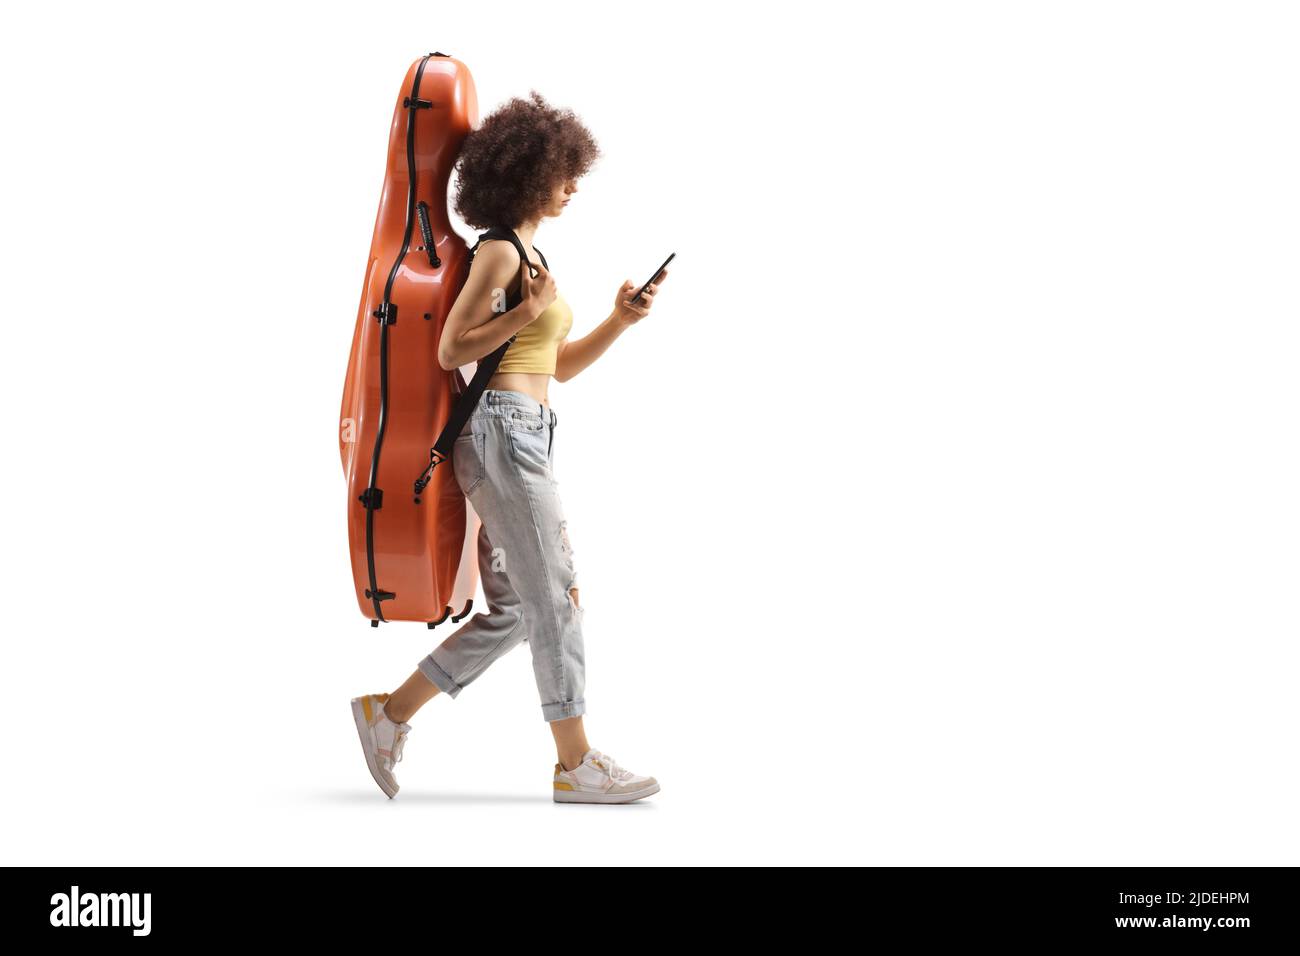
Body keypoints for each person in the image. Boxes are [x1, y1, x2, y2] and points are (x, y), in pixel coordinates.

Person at [351, 91, 668, 804]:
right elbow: (449, 348)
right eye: (564, 172)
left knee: (524, 609)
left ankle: (387, 714)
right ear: (528, 171)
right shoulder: (498, 250)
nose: (571, 186)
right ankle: (576, 763)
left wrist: (619, 319)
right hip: (500, 430)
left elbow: (555, 366)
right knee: (555, 598)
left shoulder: (530, 252)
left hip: (526, 430)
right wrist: (526, 309)